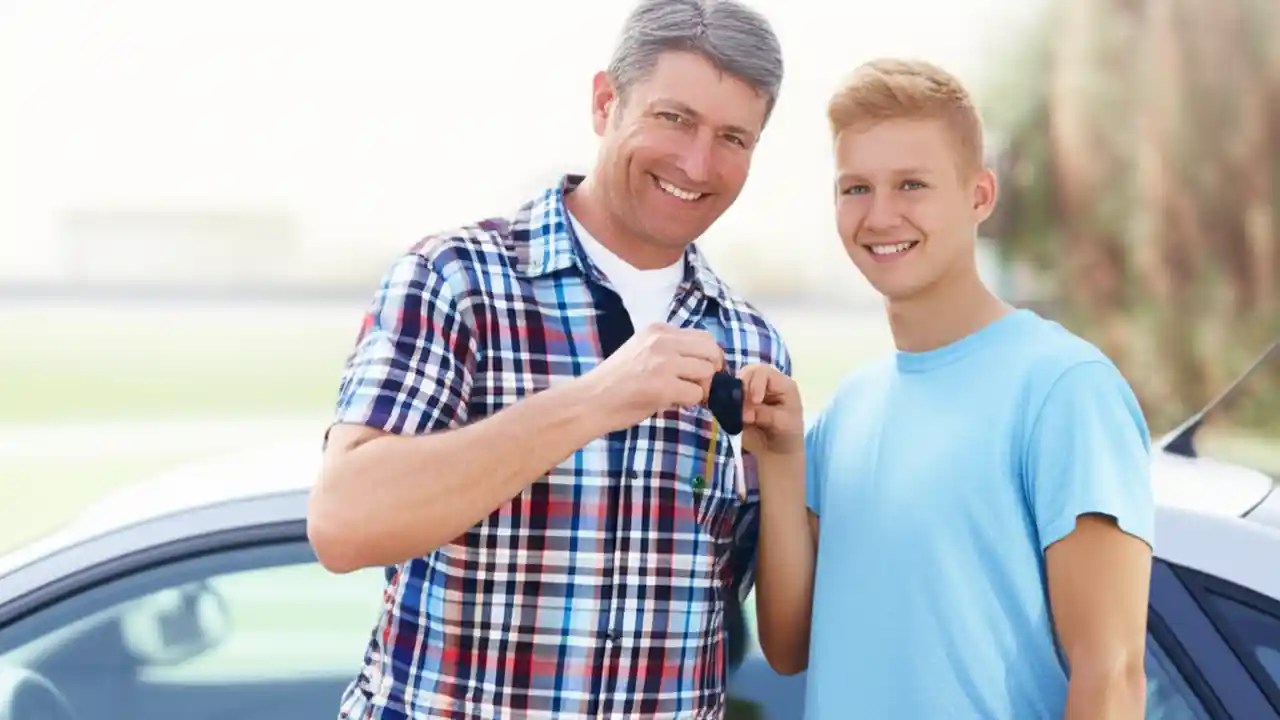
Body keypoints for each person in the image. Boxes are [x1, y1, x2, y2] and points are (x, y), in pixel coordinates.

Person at [305, 1, 790, 717]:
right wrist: (598, 399)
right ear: (605, 103)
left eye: (732, 138)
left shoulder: (751, 342)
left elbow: (773, 633)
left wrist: (789, 465)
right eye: (674, 118)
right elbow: (343, 522)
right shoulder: (456, 279)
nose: (697, 162)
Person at [752, 58, 1156, 719]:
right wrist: (781, 459)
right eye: (855, 188)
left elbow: (1111, 678)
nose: (879, 215)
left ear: (979, 196)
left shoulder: (1064, 390)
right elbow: (789, 648)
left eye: (911, 184)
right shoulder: (848, 409)